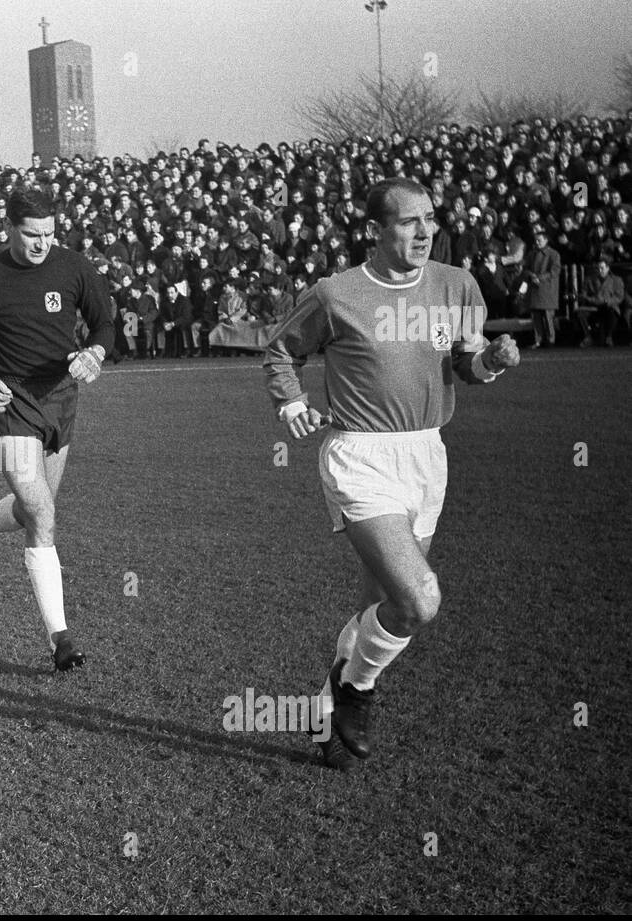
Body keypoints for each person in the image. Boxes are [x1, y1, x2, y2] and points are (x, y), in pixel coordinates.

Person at [262, 177, 521, 771]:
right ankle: (356, 689)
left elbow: (467, 367)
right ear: (375, 231)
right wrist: (292, 402)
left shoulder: (458, 286)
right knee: (419, 598)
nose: (424, 231)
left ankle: (325, 714)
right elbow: (282, 350)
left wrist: (493, 362)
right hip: (359, 456)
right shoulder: (336, 294)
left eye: (430, 218)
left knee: (377, 607)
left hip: (427, 456)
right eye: (408, 222)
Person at [0, 187, 117, 671]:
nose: (41, 243)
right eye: (31, 234)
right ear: (10, 228)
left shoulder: (75, 267)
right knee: (41, 513)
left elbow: (105, 323)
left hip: (61, 397)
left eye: (49, 234)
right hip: (10, 398)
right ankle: (60, 637)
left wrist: (94, 354)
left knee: (33, 508)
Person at [522, 228, 561, 348]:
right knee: (536, 317)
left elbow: (555, 271)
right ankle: (538, 340)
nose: (537, 243)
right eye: (536, 240)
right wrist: (531, 275)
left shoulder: (554, 254)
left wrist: (540, 278)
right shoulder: (532, 254)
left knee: (548, 317)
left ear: (546, 240)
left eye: (539, 240)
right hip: (535, 289)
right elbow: (526, 268)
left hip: (548, 290)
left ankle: (551, 340)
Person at [575, 258, 624, 347]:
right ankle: (588, 337)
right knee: (581, 313)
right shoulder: (589, 279)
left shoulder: (616, 280)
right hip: (594, 306)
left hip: (608, 306)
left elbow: (619, 297)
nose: (599, 270)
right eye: (598, 268)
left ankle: (609, 337)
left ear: (608, 268)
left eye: (602, 268)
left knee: (612, 312)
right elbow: (584, 294)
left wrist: (608, 301)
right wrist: (588, 298)